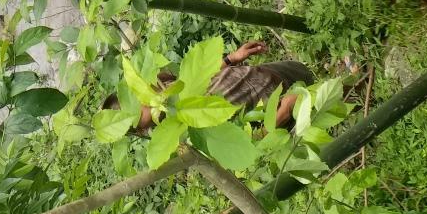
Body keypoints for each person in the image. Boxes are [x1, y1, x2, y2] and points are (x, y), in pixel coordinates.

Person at [102, 41, 314, 131]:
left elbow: (202, 78)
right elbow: (245, 143)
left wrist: (231, 59)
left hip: (266, 76)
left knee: (308, 71)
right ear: (140, 130)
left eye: (135, 97)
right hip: (277, 105)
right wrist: (281, 115)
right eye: (137, 112)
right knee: (335, 95)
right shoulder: (181, 134)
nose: (144, 102)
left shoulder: (163, 87)